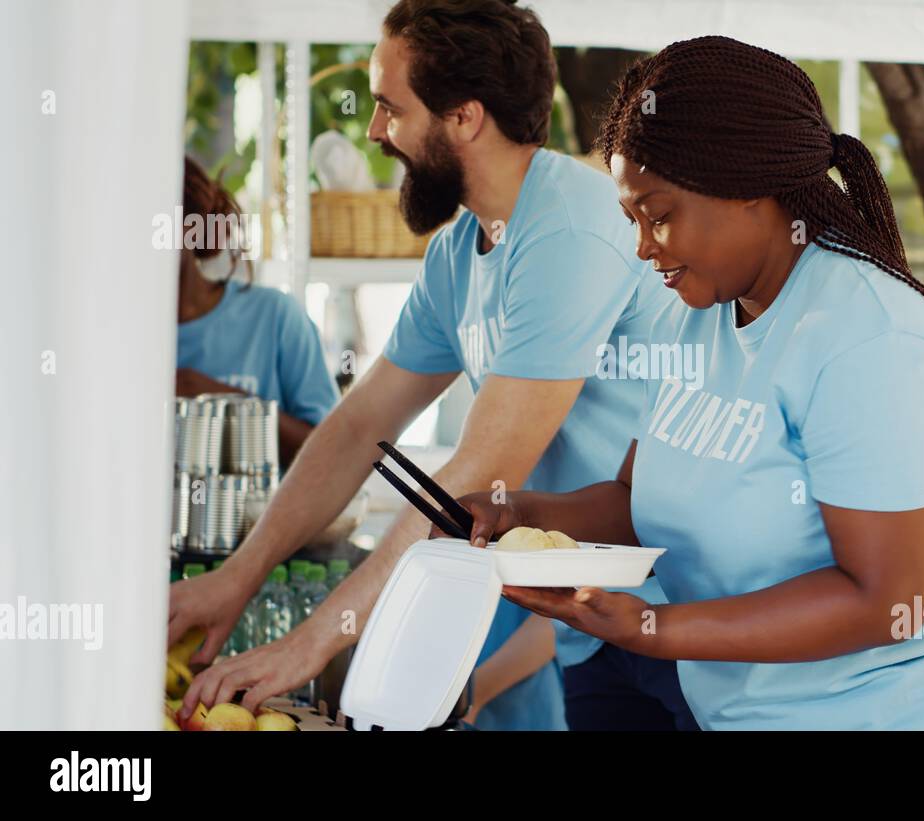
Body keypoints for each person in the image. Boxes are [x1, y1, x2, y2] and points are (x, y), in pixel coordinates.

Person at [452, 36, 924, 730]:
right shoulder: (696, 321)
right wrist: (518, 512)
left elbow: (884, 600)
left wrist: (653, 627)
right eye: (632, 219)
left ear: (745, 185)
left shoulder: (866, 335)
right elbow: (636, 497)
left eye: (659, 214)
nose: (643, 246)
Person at [171, 0, 695, 731]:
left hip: (689, 622)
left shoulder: (568, 228)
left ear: (465, 118)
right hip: (593, 626)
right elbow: (359, 427)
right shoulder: (459, 252)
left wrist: (312, 642)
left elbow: (476, 472)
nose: (374, 130)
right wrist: (235, 579)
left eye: (391, 107)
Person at [176, 157, 338, 463]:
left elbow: (331, 452)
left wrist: (227, 403)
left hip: (260, 511)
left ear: (190, 229)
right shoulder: (113, 332)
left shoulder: (274, 316)